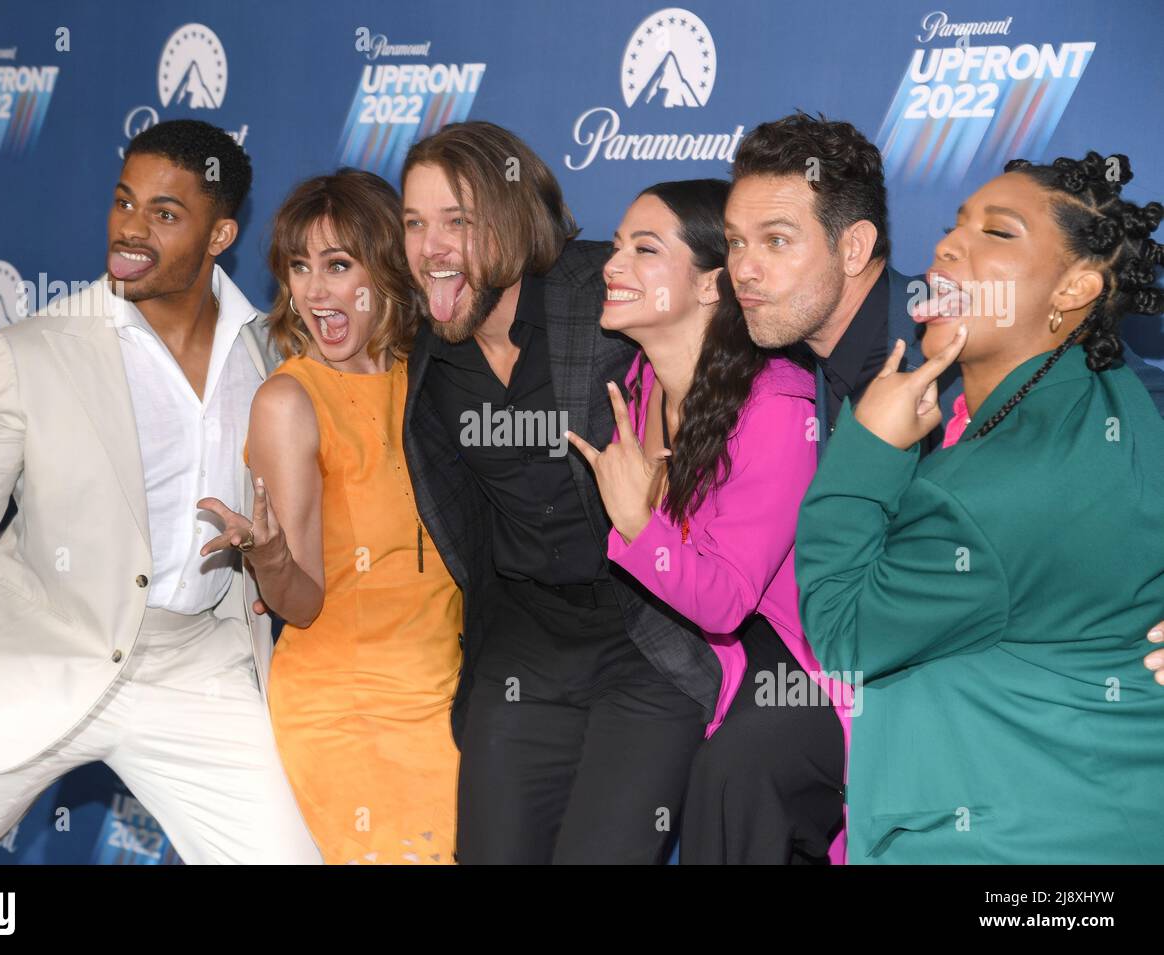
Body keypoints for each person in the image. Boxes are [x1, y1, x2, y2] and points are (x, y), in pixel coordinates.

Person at [0, 119, 320, 864]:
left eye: (165, 214)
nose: (131, 229)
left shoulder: (276, 353)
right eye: (123, 202)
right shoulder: (31, 350)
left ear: (220, 235)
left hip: (196, 667)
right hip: (34, 652)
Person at [796, 151, 1164, 862]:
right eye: (954, 225)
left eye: (998, 233)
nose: (947, 245)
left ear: (1076, 287)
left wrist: (865, 445)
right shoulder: (1121, 397)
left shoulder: (980, 496)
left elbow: (843, 633)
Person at [400, 121, 717, 864]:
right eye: (414, 223)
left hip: (645, 638)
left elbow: (727, 354)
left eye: (457, 221)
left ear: (512, 220)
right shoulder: (429, 339)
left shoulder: (601, 296)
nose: (430, 247)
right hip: (520, 648)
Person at [564, 179, 849, 864]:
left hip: (799, 665)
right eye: (617, 245)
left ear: (710, 285)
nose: (612, 264)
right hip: (701, 657)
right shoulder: (635, 385)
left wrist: (636, 523)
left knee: (730, 779)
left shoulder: (778, 405)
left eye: (645, 248)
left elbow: (723, 601)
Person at [199, 168, 463, 865]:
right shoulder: (290, 402)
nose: (315, 291)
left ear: (386, 269)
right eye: (299, 266)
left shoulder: (436, 381)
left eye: (339, 265)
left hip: (450, 702)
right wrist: (269, 557)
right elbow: (302, 602)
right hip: (351, 711)